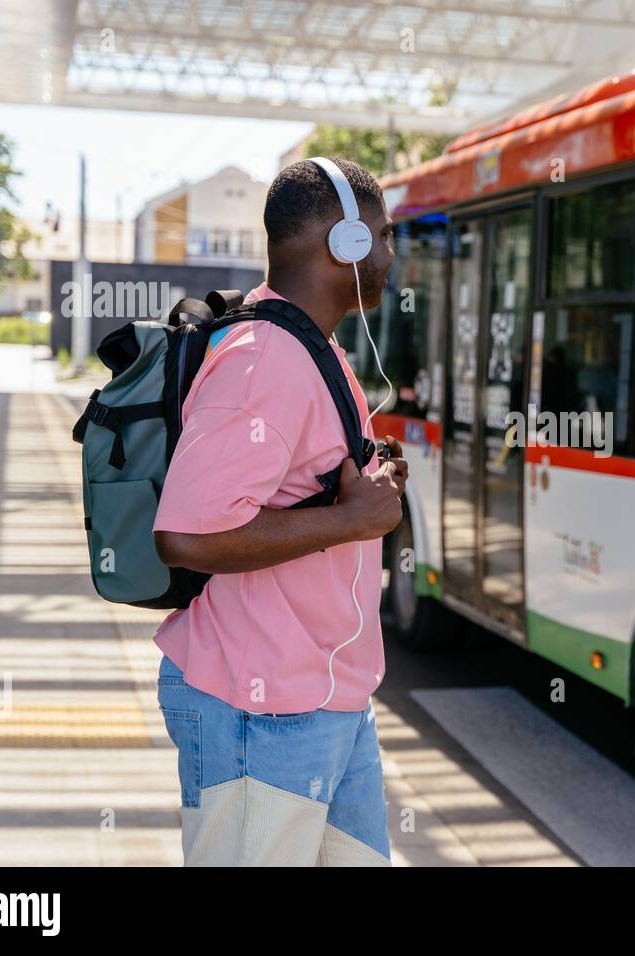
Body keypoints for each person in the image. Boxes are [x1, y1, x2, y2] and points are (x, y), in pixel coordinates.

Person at [150, 157, 407, 866]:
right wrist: (352, 522)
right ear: (344, 245)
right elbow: (185, 532)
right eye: (382, 236)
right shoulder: (265, 359)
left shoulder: (312, 346)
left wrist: (363, 495)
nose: (389, 254)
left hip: (327, 698)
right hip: (258, 710)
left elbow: (302, 486)